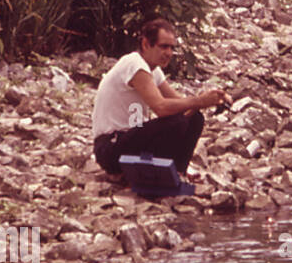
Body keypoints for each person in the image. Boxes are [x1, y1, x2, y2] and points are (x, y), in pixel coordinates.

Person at [92, 18, 227, 180]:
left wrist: (213, 99)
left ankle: (176, 173)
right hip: (110, 147)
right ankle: (146, 176)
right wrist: (199, 101)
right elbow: (161, 107)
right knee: (176, 122)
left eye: (171, 48)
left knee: (194, 119)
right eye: (163, 46)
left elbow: (182, 106)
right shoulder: (134, 64)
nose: (168, 53)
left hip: (128, 140)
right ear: (146, 44)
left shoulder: (152, 69)